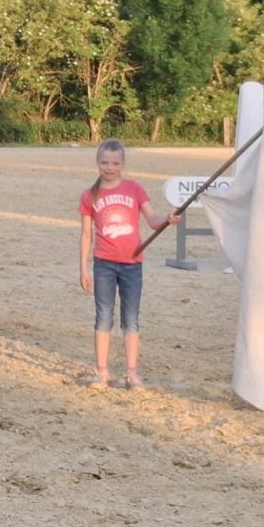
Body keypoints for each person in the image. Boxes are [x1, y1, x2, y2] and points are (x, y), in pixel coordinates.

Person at [79, 140, 178, 390]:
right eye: (104, 162)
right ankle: (101, 372)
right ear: (97, 163)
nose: (109, 168)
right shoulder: (89, 196)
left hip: (132, 265)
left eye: (115, 163)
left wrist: (167, 219)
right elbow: (86, 234)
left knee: (131, 319)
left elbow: (153, 220)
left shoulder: (134, 189)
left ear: (122, 164)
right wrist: (83, 267)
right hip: (104, 264)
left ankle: (131, 374)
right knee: (103, 317)